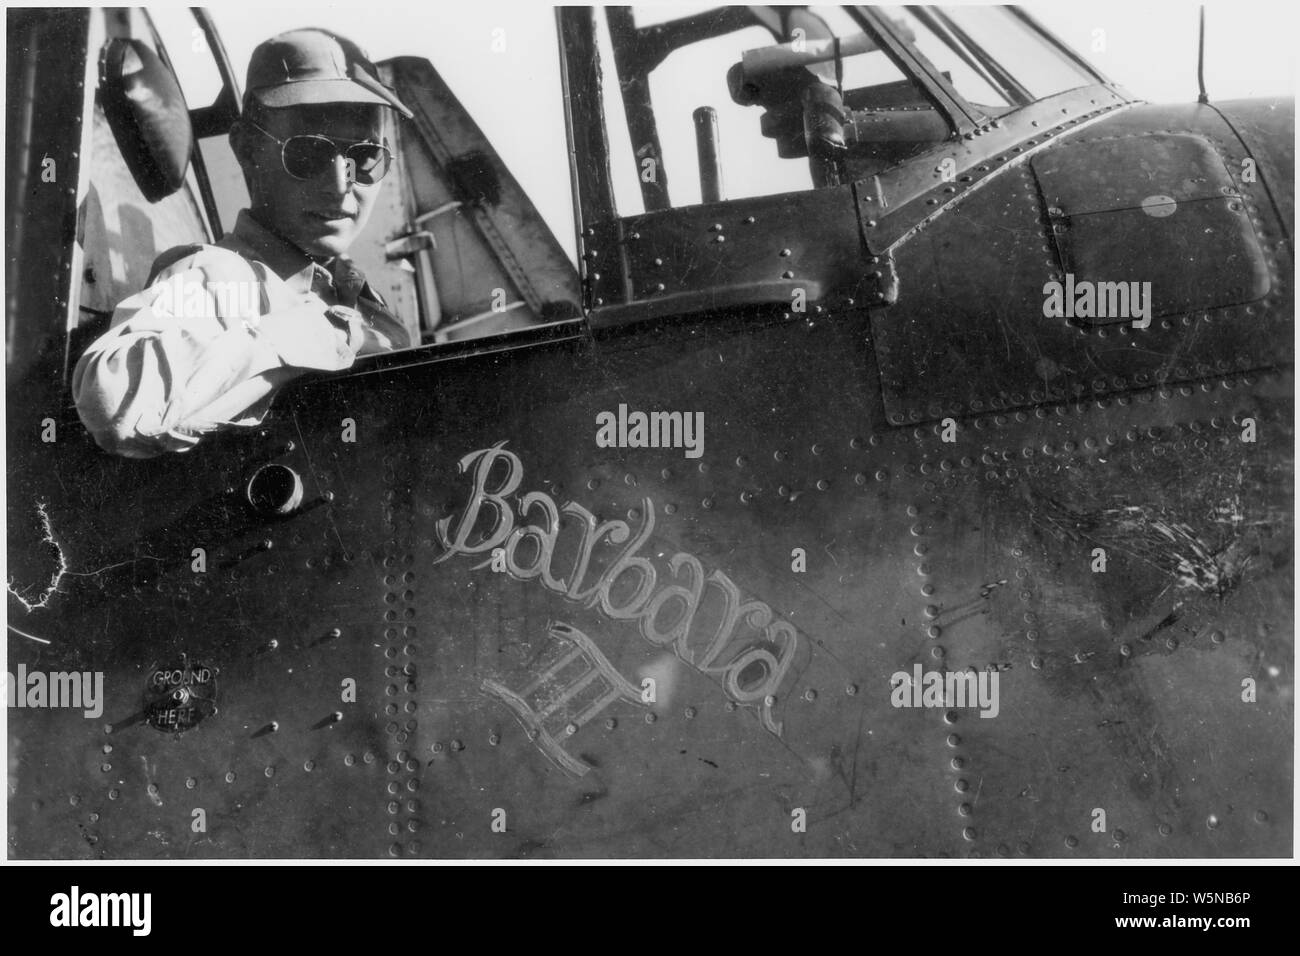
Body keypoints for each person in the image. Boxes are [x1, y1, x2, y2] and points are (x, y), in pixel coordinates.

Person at [73, 28, 414, 458]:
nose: (340, 185)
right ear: (246, 149)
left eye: (364, 157)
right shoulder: (220, 277)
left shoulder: (347, 292)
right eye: (308, 153)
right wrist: (311, 334)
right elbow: (114, 399)